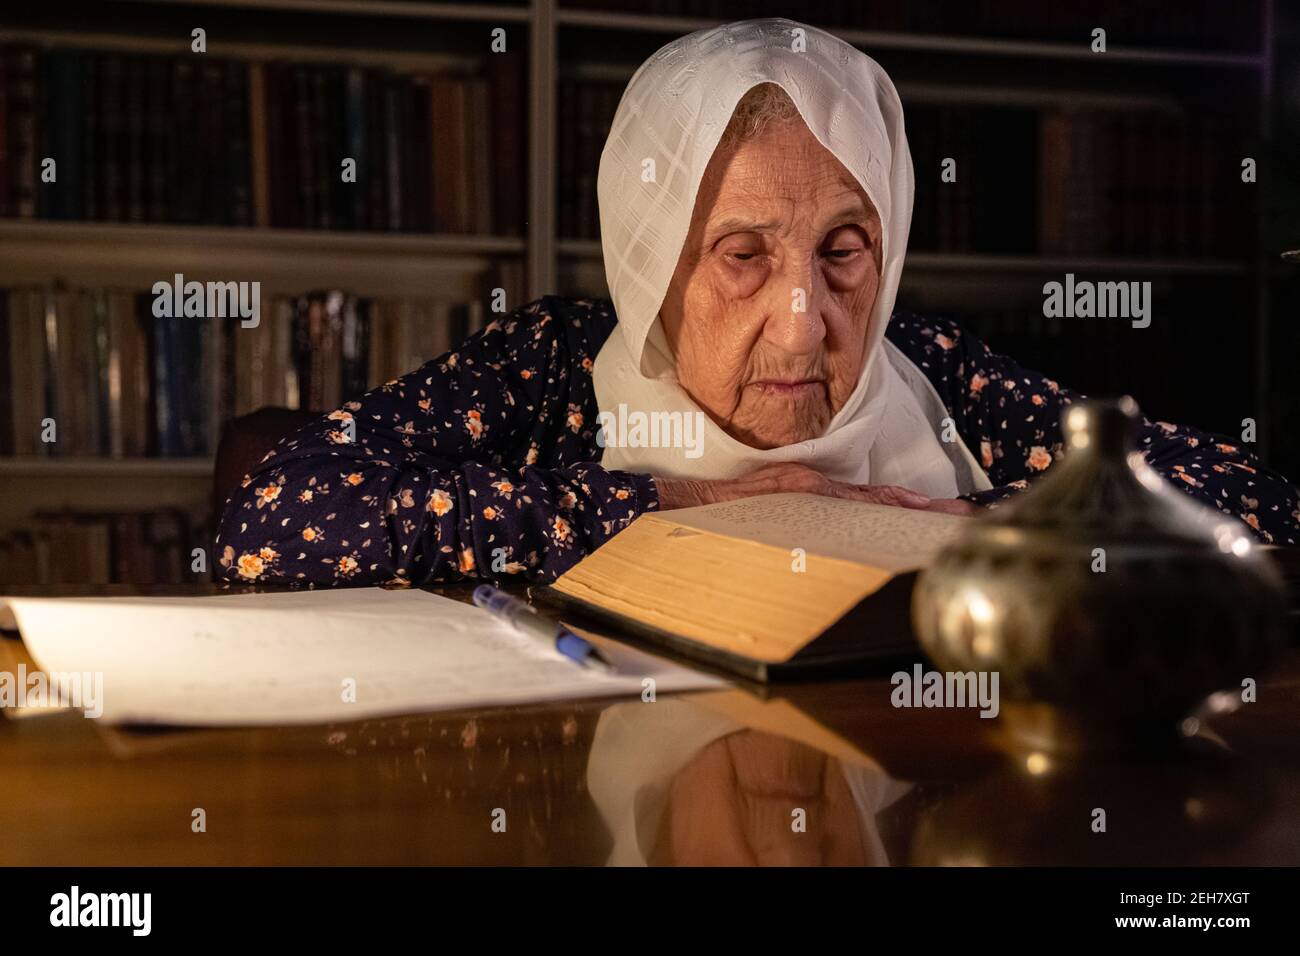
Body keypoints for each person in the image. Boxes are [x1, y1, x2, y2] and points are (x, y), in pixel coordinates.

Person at [214, 18, 1299, 587]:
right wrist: (690, 507)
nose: (803, 317)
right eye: (741, 253)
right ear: (652, 262)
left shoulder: (930, 368)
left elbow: (1257, 504)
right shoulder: (555, 364)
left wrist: (968, 532)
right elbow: (271, 524)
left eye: (844, 248)